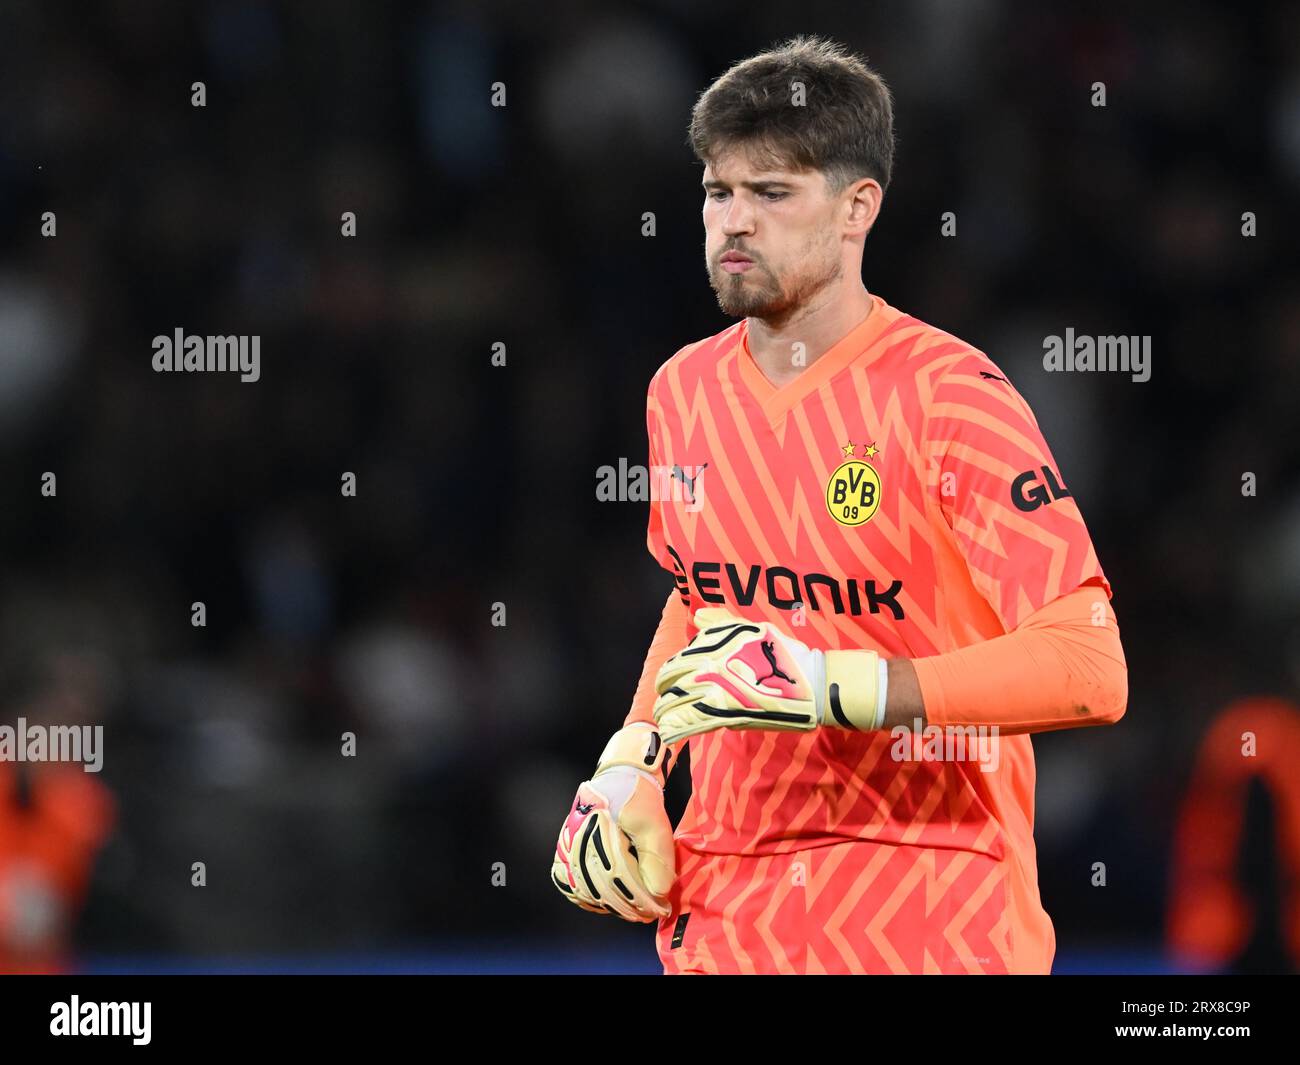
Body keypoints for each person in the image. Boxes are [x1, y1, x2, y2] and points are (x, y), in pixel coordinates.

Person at [552, 34, 1127, 975]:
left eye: (772, 194)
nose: (735, 222)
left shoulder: (952, 397)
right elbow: (703, 596)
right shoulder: (680, 392)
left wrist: (842, 688)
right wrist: (633, 759)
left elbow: (1090, 667)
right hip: (728, 909)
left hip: (929, 908)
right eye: (717, 192)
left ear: (860, 206)